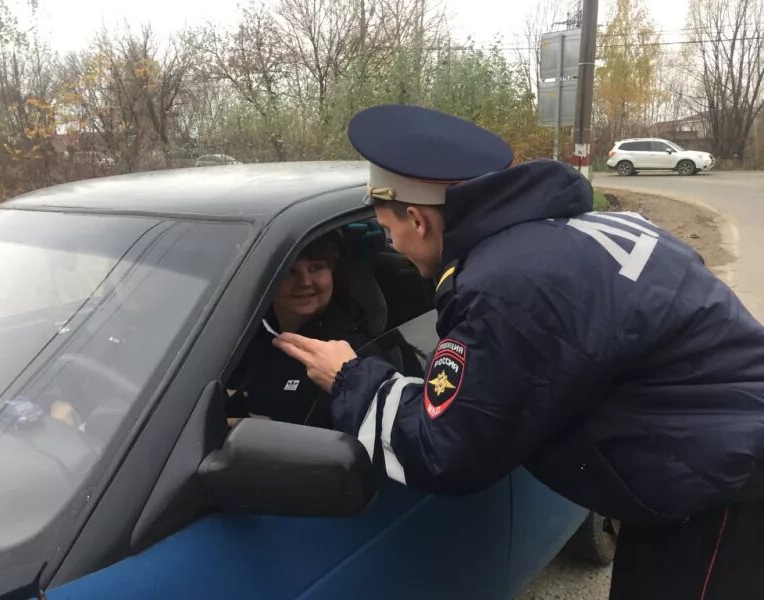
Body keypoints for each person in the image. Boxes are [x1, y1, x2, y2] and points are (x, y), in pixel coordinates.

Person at [274, 104, 764, 599]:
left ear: (419, 220)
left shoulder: (505, 287)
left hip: (719, 494)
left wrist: (349, 376)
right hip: (708, 466)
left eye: (388, 232)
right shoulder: (585, 229)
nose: (392, 250)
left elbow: (447, 450)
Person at [226, 233, 372, 428]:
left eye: (316, 268)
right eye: (290, 271)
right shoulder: (240, 333)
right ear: (267, 280)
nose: (305, 281)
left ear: (332, 273)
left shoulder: (351, 350)